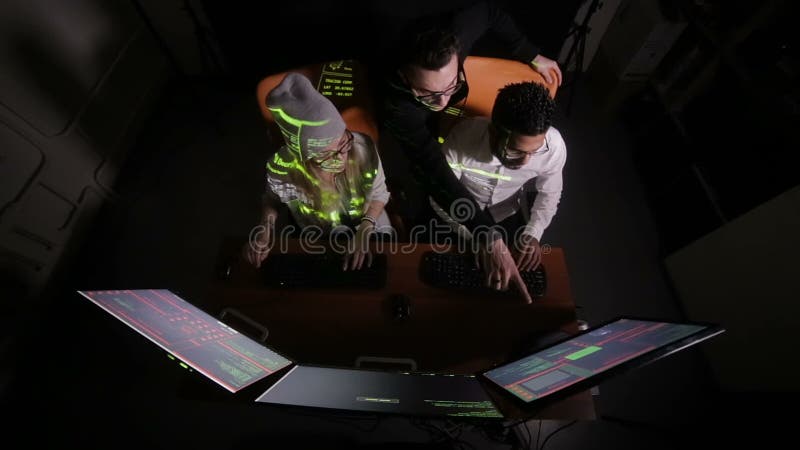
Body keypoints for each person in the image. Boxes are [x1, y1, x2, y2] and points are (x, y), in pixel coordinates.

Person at [373, 1, 561, 302]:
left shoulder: (459, 31)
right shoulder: (398, 106)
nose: (445, 102)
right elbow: (433, 169)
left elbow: (492, 12)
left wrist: (532, 54)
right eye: (430, 93)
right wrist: (487, 237)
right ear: (404, 76)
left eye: (453, 85)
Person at [243, 72, 392, 271]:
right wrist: (265, 228)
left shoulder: (362, 147)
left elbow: (379, 193)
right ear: (303, 158)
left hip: (369, 226)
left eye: (342, 142)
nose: (341, 158)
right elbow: (272, 199)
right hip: (318, 237)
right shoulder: (284, 167)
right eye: (326, 154)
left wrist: (364, 229)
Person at [432, 81, 565, 277]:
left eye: (535, 151)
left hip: (506, 213)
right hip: (455, 215)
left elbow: (550, 193)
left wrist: (533, 233)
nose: (526, 161)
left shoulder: (553, 146)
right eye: (515, 150)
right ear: (493, 133)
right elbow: (440, 195)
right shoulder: (462, 138)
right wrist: (477, 237)